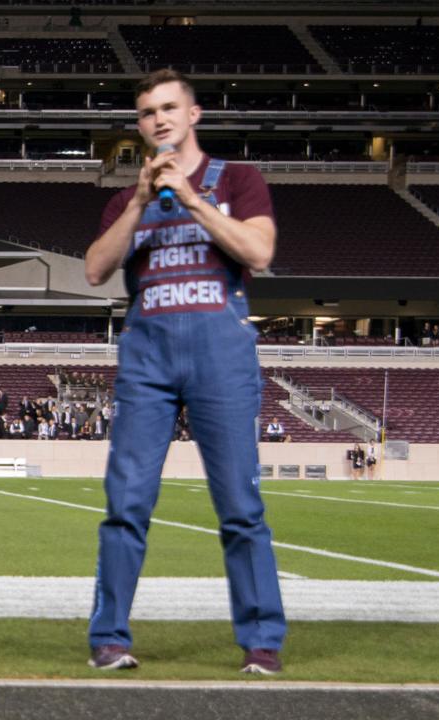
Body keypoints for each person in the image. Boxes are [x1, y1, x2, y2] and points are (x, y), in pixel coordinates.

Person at [82, 69, 286, 675]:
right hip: (147, 359)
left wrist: (192, 199)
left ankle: (261, 640)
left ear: (193, 114)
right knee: (127, 503)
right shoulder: (126, 200)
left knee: (241, 507)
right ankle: (109, 637)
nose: (159, 120)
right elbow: (95, 270)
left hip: (221, 356)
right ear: (140, 126)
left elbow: (259, 253)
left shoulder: (239, 180)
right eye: (147, 113)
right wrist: (144, 200)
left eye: (170, 108)